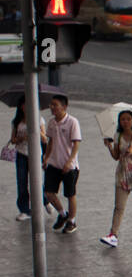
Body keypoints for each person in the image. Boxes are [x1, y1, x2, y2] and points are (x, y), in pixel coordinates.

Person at [99, 109, 132, 247]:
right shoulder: (117, 135)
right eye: (122, 119)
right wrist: (110, 147)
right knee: (119, 207)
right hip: (122, 175)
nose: (125, 122)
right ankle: (113, 234)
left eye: (128, 119)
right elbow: (116, 156)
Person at [43, 94, 81, 233]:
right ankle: (62, 214)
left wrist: (69, 161)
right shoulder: (52, 122)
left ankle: (72, 221)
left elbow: (76, 143)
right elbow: (50, 141)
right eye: (51, 105)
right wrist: (46, 157)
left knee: (70, 194)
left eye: (55, 105)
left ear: (64, 107)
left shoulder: (73, 122)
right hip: (54, 163)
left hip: (69, 166)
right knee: (48, 192)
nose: (52, 108)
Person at [8, 97, 45, 222]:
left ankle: (45, 201)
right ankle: (24, 210)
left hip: (35, 154)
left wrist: (37, 131)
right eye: (24, 105)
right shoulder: (17, 121)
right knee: (22, 182)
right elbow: (12, 139)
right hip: (21, 154)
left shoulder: (39, 119)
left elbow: (45, 139)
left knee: (37, 181)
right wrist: (22, 138)